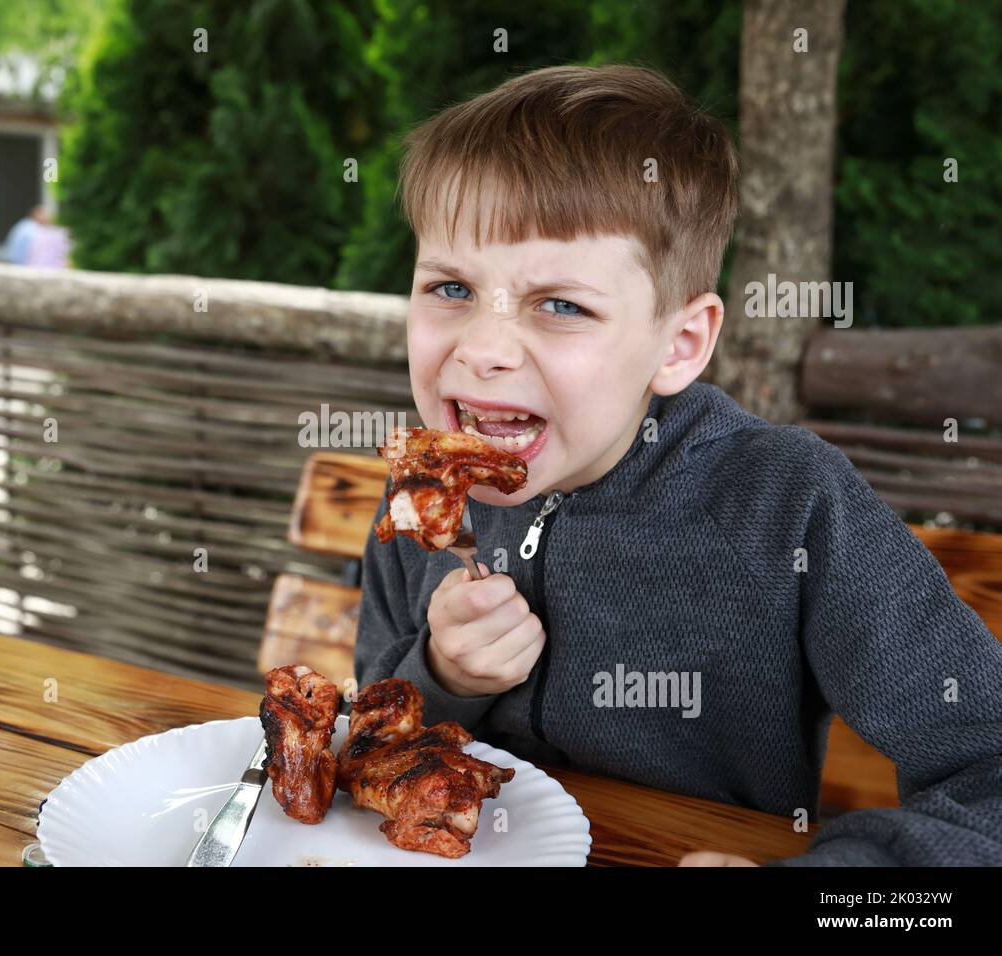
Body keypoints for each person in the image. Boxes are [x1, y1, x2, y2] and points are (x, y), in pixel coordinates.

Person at [353, 64, 1002, 866]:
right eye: (450, 287)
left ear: (679, 344)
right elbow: (367, 751)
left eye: (561, 305)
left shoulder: (788, 503)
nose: (482, 350)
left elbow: (989, 765)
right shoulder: (420, 502)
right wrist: (444, 674)